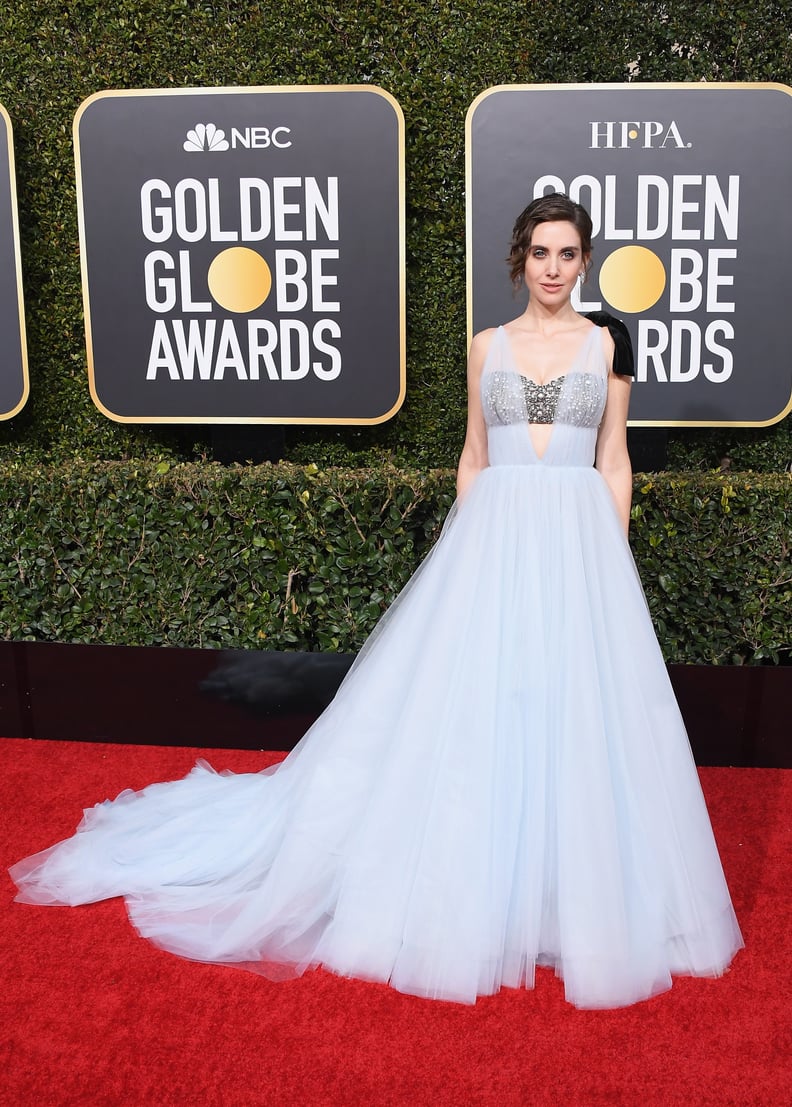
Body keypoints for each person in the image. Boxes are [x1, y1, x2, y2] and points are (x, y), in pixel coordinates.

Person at [9, 194, 742, 1010]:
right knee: (483, 713)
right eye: (540, 253)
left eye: (568, 254)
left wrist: (613, 554)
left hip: (581, 552)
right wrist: (469, 546)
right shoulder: (485, 347)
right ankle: (479, 882)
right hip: (492, 547)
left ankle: (571, 894)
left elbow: (613, 460)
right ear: (519, 259)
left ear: (585, 261)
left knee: (574, 715)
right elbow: (473, 454)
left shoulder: (609, 345)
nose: (553, 269)